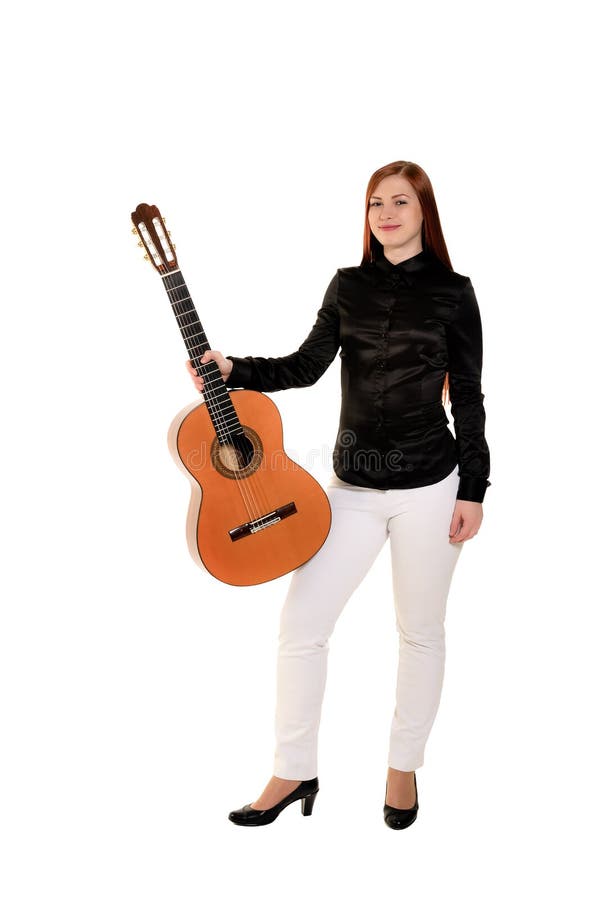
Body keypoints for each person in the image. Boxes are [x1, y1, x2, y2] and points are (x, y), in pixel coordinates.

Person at [185, 160, 491, 829]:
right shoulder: (347, 286)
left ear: (424, 213)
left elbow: (466, 396)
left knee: (420, 632)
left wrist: (474, 487)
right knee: (301, 627)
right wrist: (234, 368)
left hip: (432, 487)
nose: (386, 212)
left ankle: (402, 768)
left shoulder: (454, 293)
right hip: (350, 487)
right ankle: (292, 771)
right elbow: (305, 365)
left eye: (400, 202)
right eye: (376, 202)